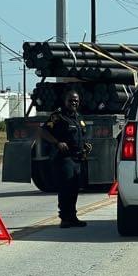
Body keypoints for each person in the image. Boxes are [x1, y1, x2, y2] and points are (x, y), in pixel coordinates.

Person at [39, 89, 91, 227]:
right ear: (65, 101)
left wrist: (86, 145)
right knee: (65, 188)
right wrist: (57, 142)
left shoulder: (78, 117)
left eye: (76, 100)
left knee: (74, 189)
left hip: (78, 158)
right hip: (64, 158)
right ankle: (64, 218)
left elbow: (81, 135)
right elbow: (43, 131)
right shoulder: (58, 116)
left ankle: (72, 217)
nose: (74, 102)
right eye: (71, 100)